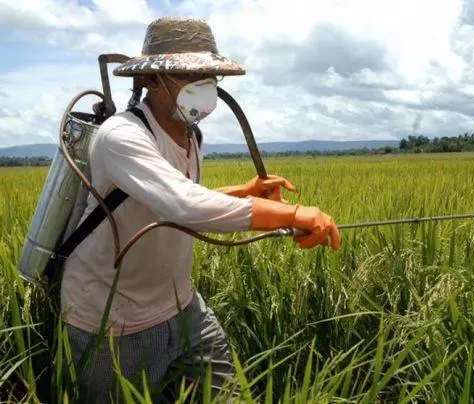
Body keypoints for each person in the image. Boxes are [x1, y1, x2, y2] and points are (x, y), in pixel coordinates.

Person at [59, 17, 340, 403]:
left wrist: (243, 193)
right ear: (151, 80)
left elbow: (174, 196)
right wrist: (292, 216)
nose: (203, 83)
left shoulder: (190, 134)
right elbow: (184, 204)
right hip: (111, 320)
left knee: (228, 395)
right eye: (190, 73)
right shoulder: (121, 136)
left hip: (181, 304)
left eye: (208, 73)